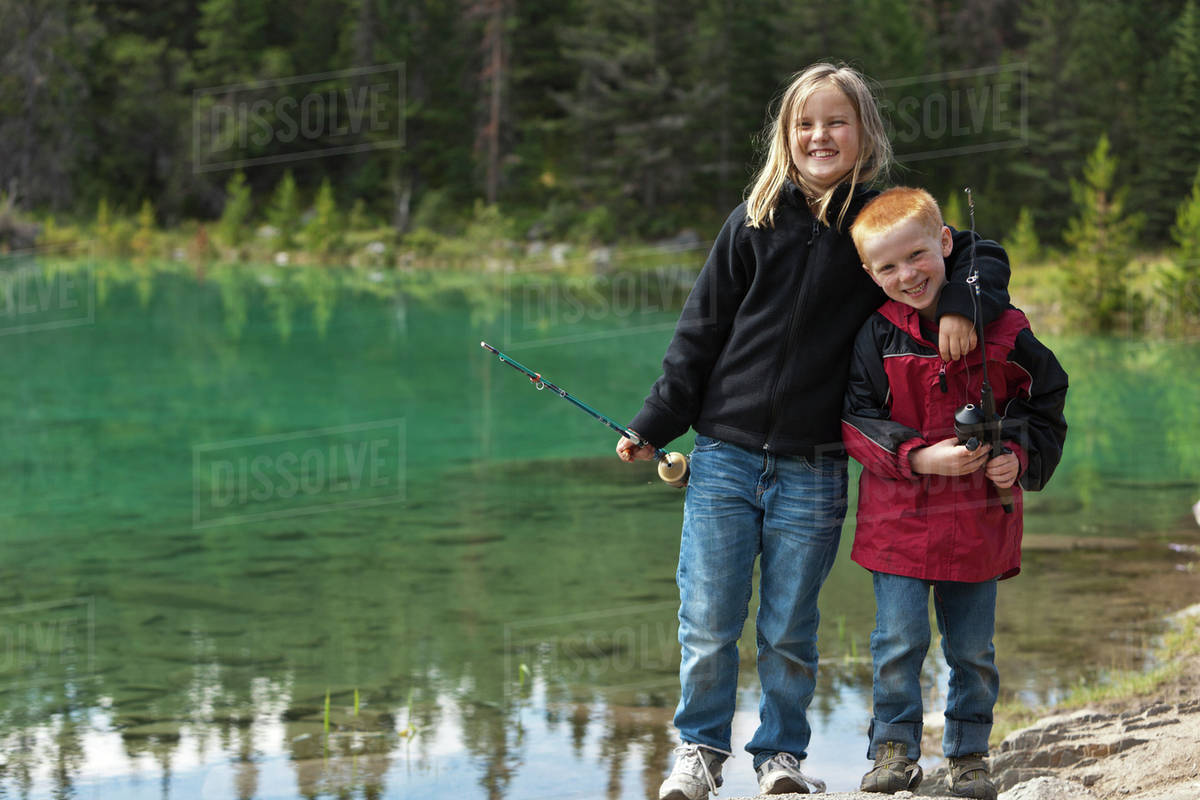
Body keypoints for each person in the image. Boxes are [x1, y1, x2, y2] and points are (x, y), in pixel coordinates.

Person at [616, 63, 1012, 800]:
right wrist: (653, 421)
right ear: (786, 136)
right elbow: (697, 335)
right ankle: (699, 750)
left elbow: (975, 250)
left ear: (863, 133)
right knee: (707, 618)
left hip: (818, 461)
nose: (818, 135)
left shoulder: (878, 220)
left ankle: (780, 758)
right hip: (725, 454)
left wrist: (958, 300)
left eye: (835, 121)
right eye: (805, 123)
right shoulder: (753, 219)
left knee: (790, 626)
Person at [842, 187, 1068, 799]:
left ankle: (969, 756)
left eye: (917, 256)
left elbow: (1043, 403)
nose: (906, 275)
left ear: (946, 243)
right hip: (899, 521)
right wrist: (916, 454)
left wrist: (1015, 458)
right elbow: (855, 418)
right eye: (886, 267)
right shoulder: (875, 335)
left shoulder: (1005, 328)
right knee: (898, 642)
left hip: (977, 522)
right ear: (869, 273)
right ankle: (893, 749)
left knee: (972, 651)